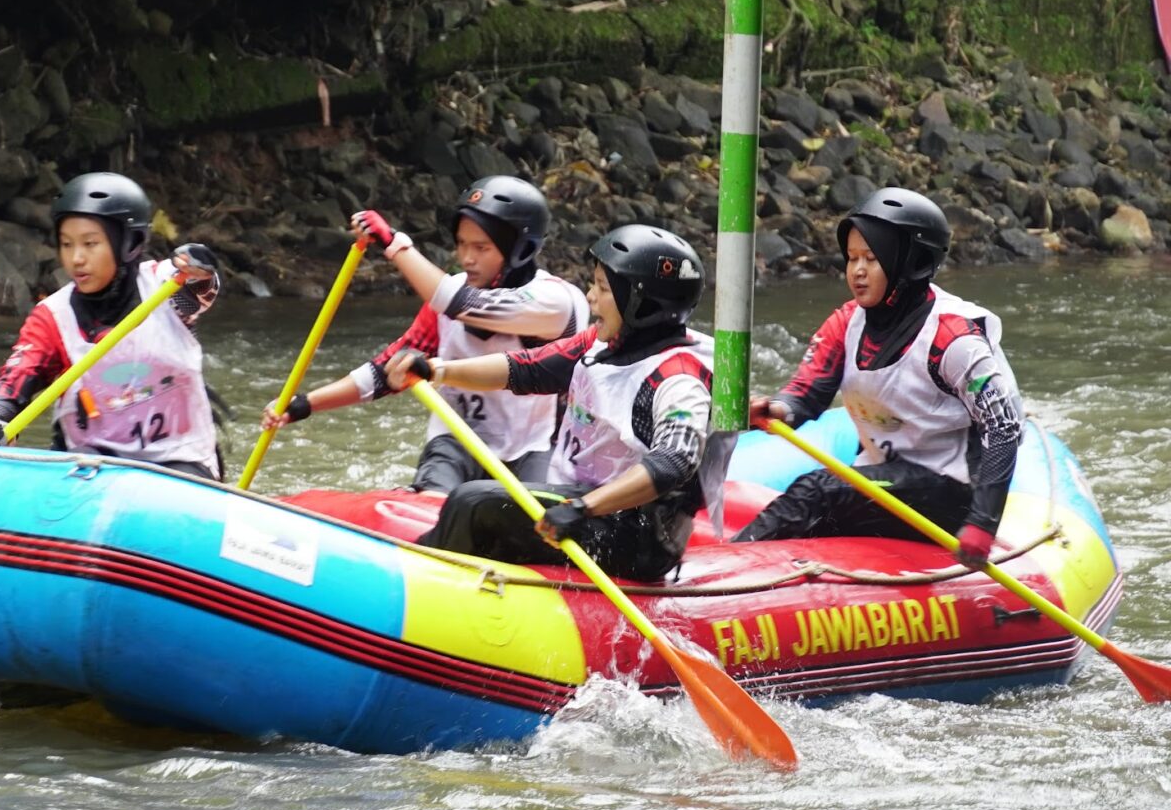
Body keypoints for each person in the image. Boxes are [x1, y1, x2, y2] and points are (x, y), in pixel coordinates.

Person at [385, 224, 714, 582]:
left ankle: (414, 587)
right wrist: (437, 370)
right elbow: (524, 368)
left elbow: (674, 462)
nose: (590, 298)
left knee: (472, 502)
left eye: (602, 288)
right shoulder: (604, 345)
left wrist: (584, 508)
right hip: (585, 505)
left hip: (637, 534)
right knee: (483, 506)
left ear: (643, 304)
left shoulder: (679, 380)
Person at [734, 187, 1022, 568]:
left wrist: (983, 523)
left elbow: (1003, 427)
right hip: (885, 479)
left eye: (871, 258)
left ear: (911, 262)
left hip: (950, 494)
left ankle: (724, 568)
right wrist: (778, 408)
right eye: (852, 258)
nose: (856, 270)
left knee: (817, 493)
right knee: (820, 498)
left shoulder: (953, 337)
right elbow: (807, 392)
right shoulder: (846, 322)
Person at [258, 176, 587, 491]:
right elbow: (384, 372)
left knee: (539, 521)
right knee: (437, 488)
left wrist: (393, 242)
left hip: (533, 445)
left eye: (481, 248)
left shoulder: (556, 300)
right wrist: (303, 405)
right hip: (454, 440)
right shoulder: (444, 302)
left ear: (520, 251)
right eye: (461, 244)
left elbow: (460, 303)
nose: (467, 258)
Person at [0, 171, 225, 480]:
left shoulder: (167, 286)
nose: (76, 259)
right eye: (66, 244)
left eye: (90, 244)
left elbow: (200, 287)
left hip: (179, 462)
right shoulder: (52, 317)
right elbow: (15, 380)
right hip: (89, 469)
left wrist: (200, 265)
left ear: (129, 243)